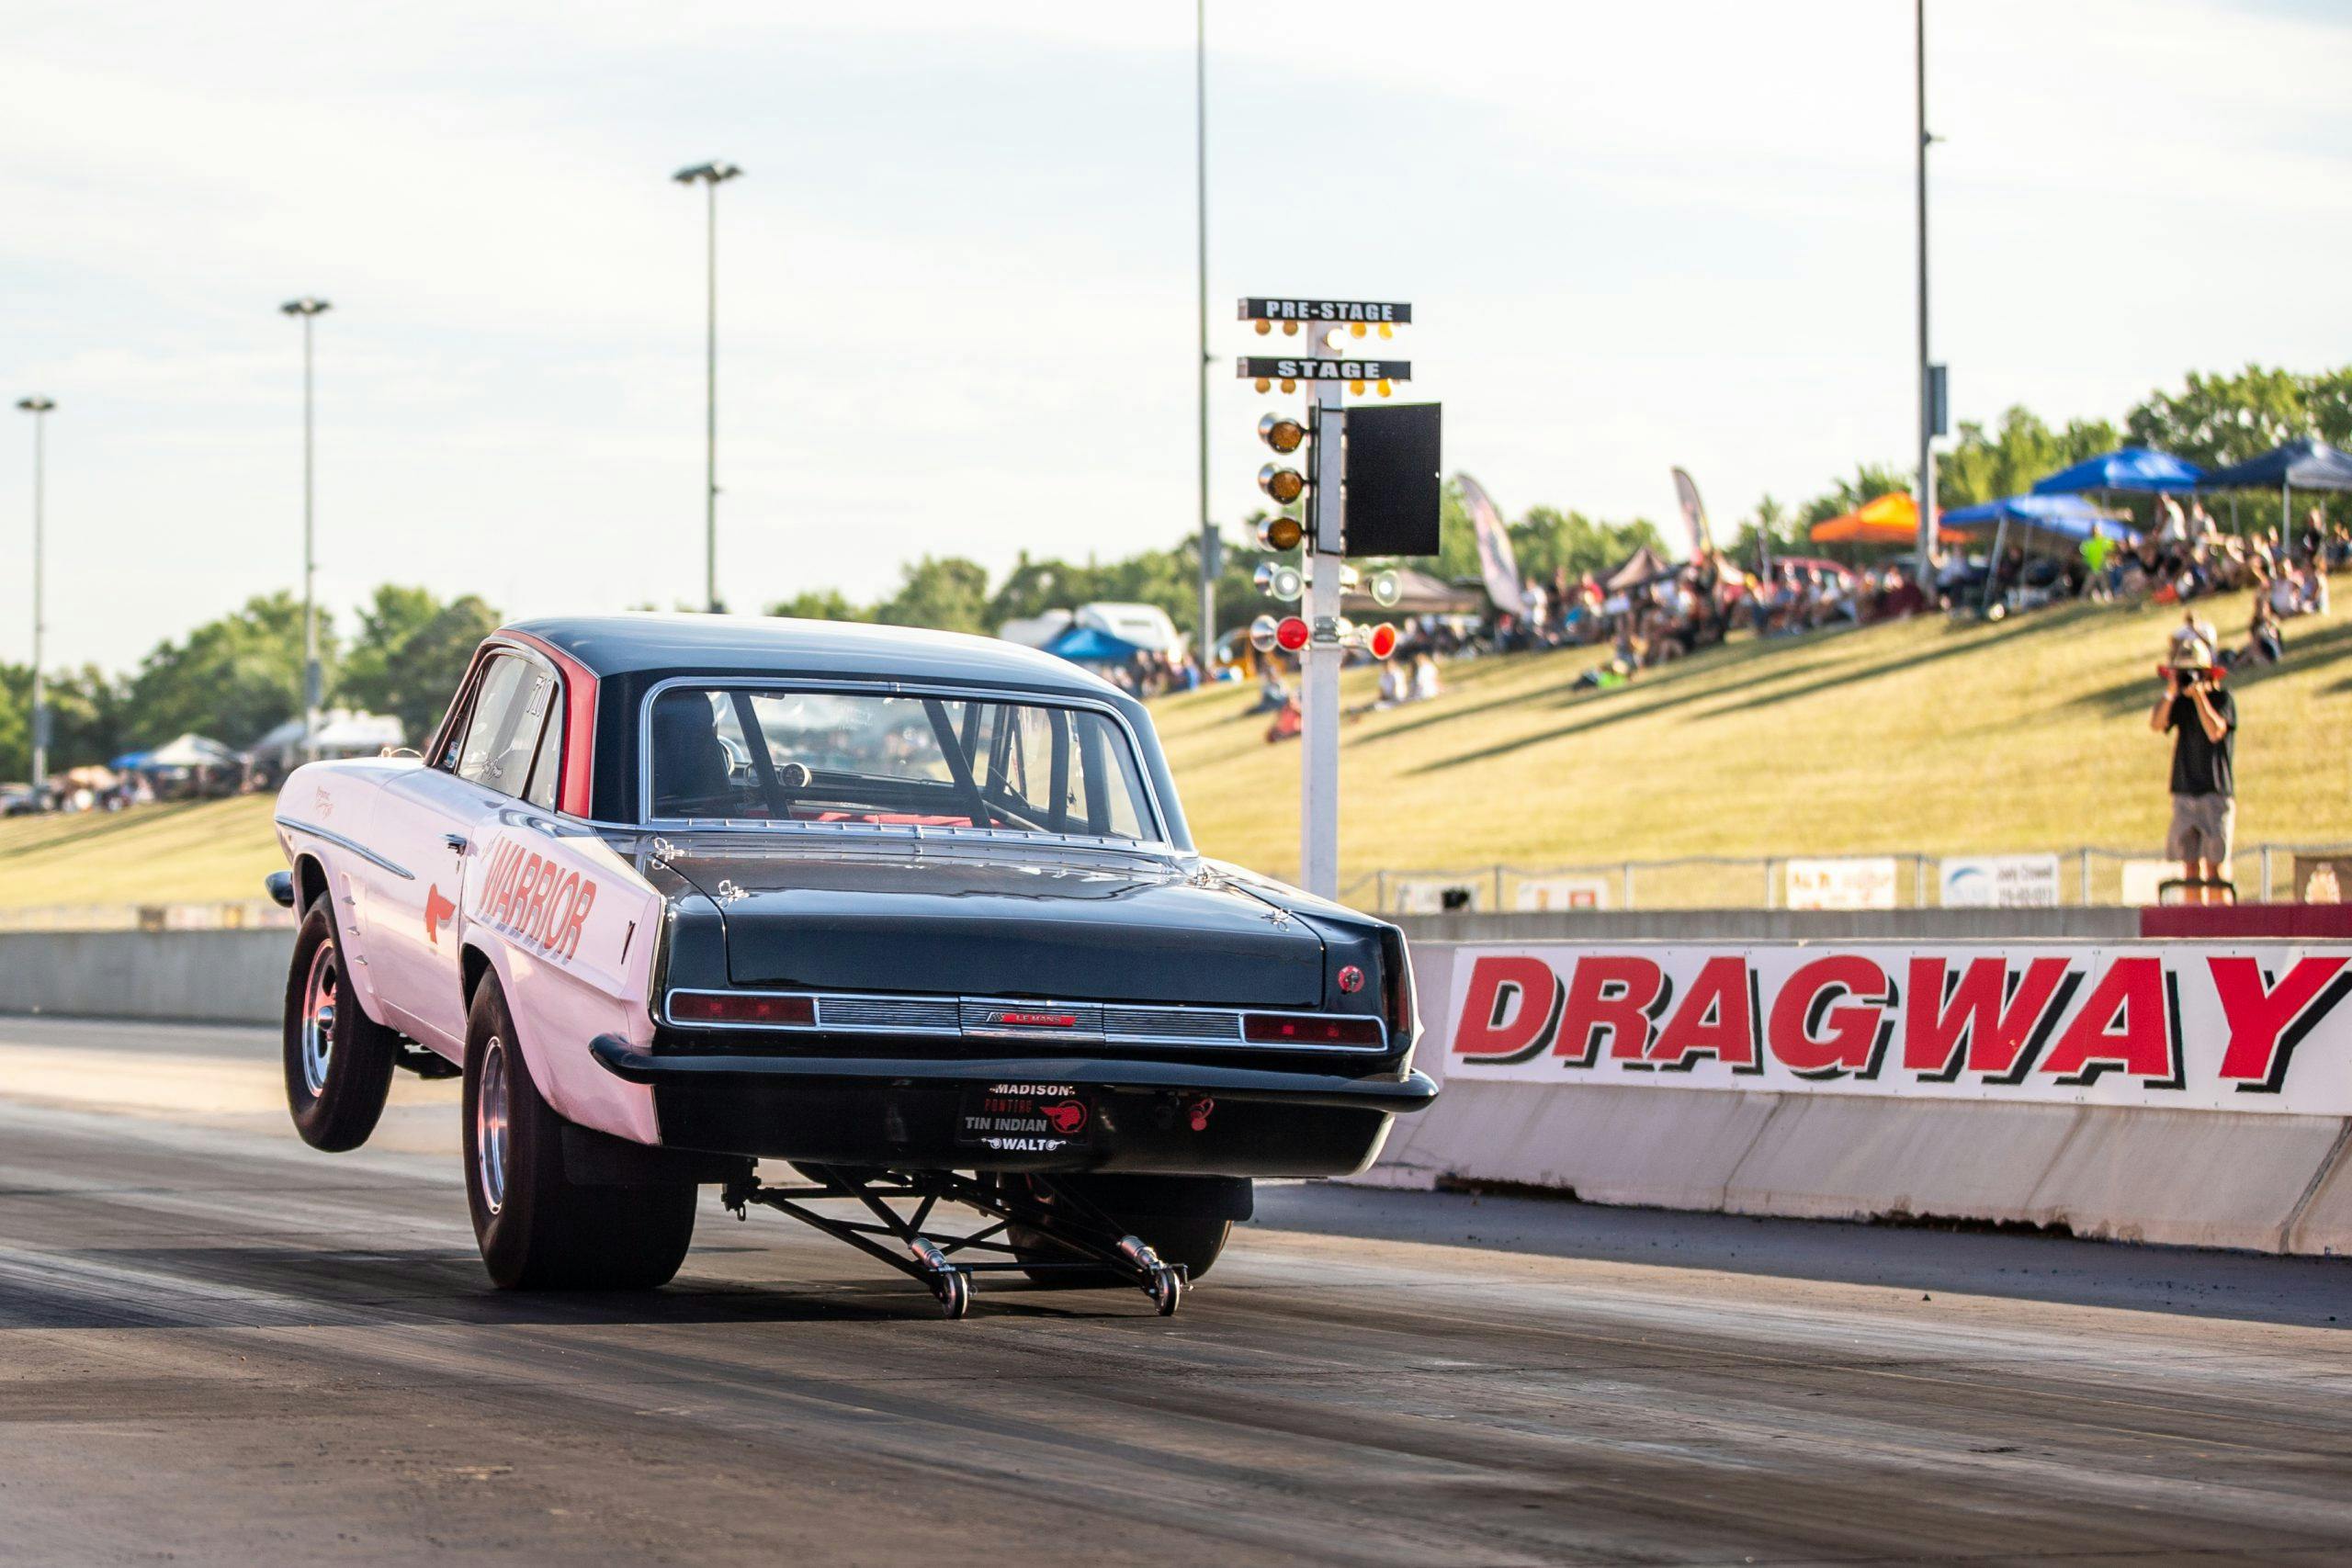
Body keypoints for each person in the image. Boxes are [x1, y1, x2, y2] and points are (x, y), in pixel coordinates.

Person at [2149, 636, 2237, 906]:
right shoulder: (2180, 703)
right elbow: (2157, 723)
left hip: (2214, 791)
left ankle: (2222, 926)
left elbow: (2215, 731)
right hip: (2185, 791)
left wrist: (2200, 697)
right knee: (2189, 867)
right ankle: (2194, 924)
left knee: (2215, 867)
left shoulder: (2222, 699)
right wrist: (2172, 691)